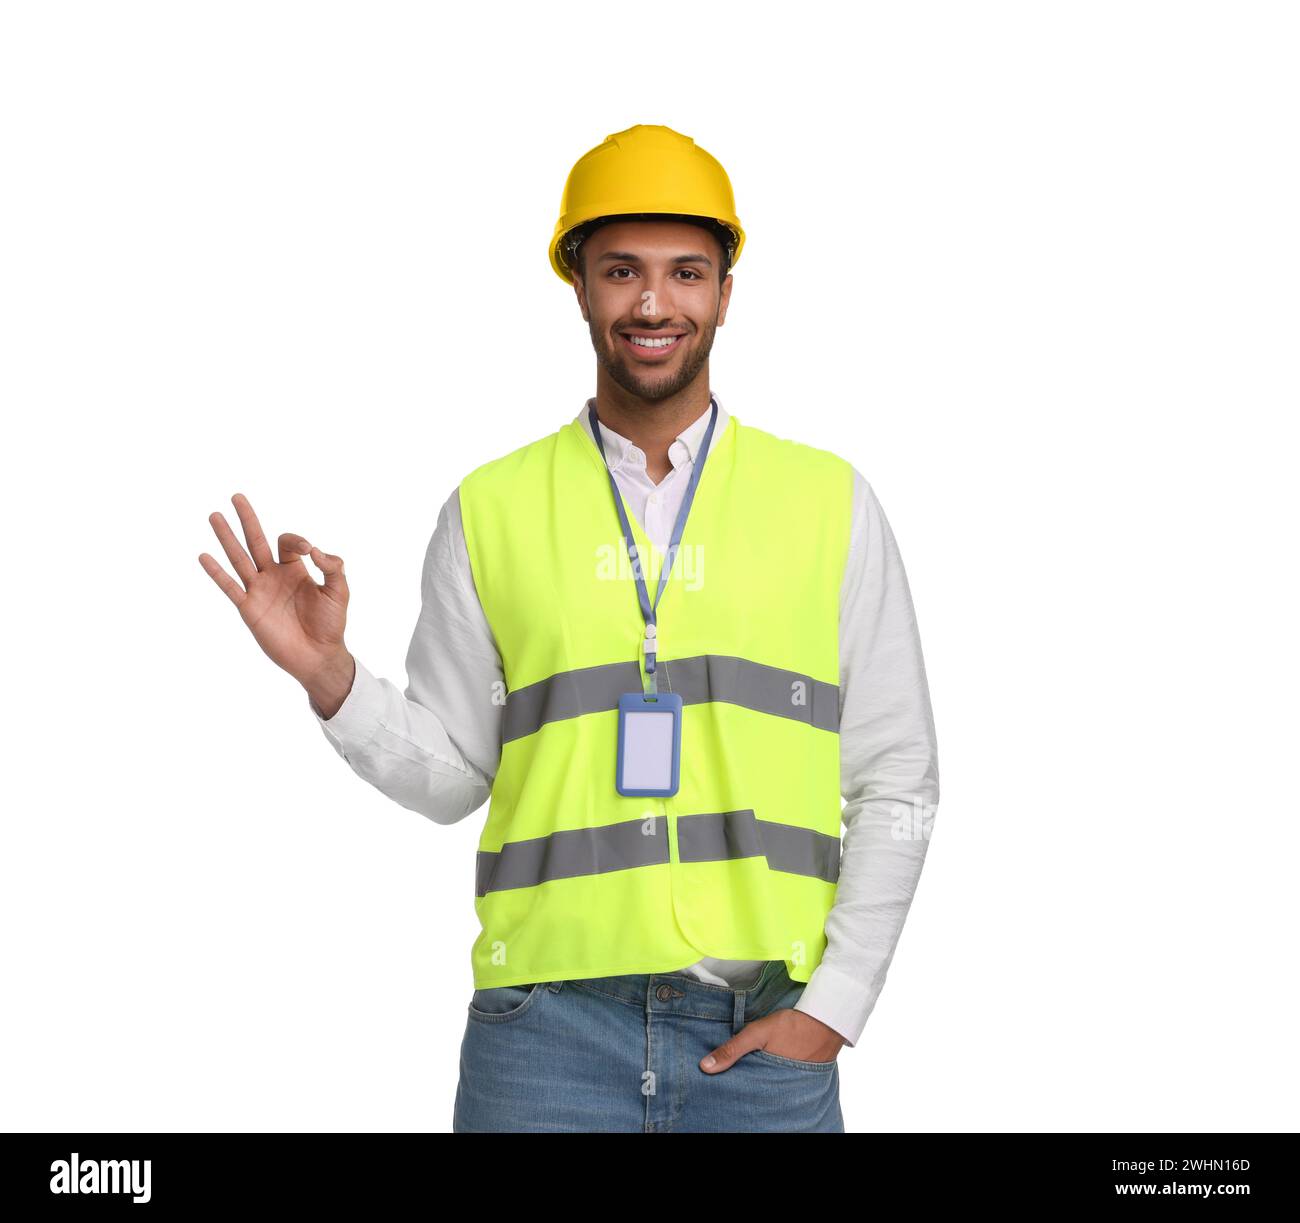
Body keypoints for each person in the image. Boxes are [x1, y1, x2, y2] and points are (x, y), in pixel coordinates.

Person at [199, 124, 940, 1133]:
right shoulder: (489, 508)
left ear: (725, 290)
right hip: (542, 1042)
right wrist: (332, 676)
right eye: (620, 270)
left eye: (685, 272)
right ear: (579, 285)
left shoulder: (832, 503)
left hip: (762, 1034)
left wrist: (835, 1006)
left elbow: (895, 773)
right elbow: (455, 773)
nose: (652, 302)